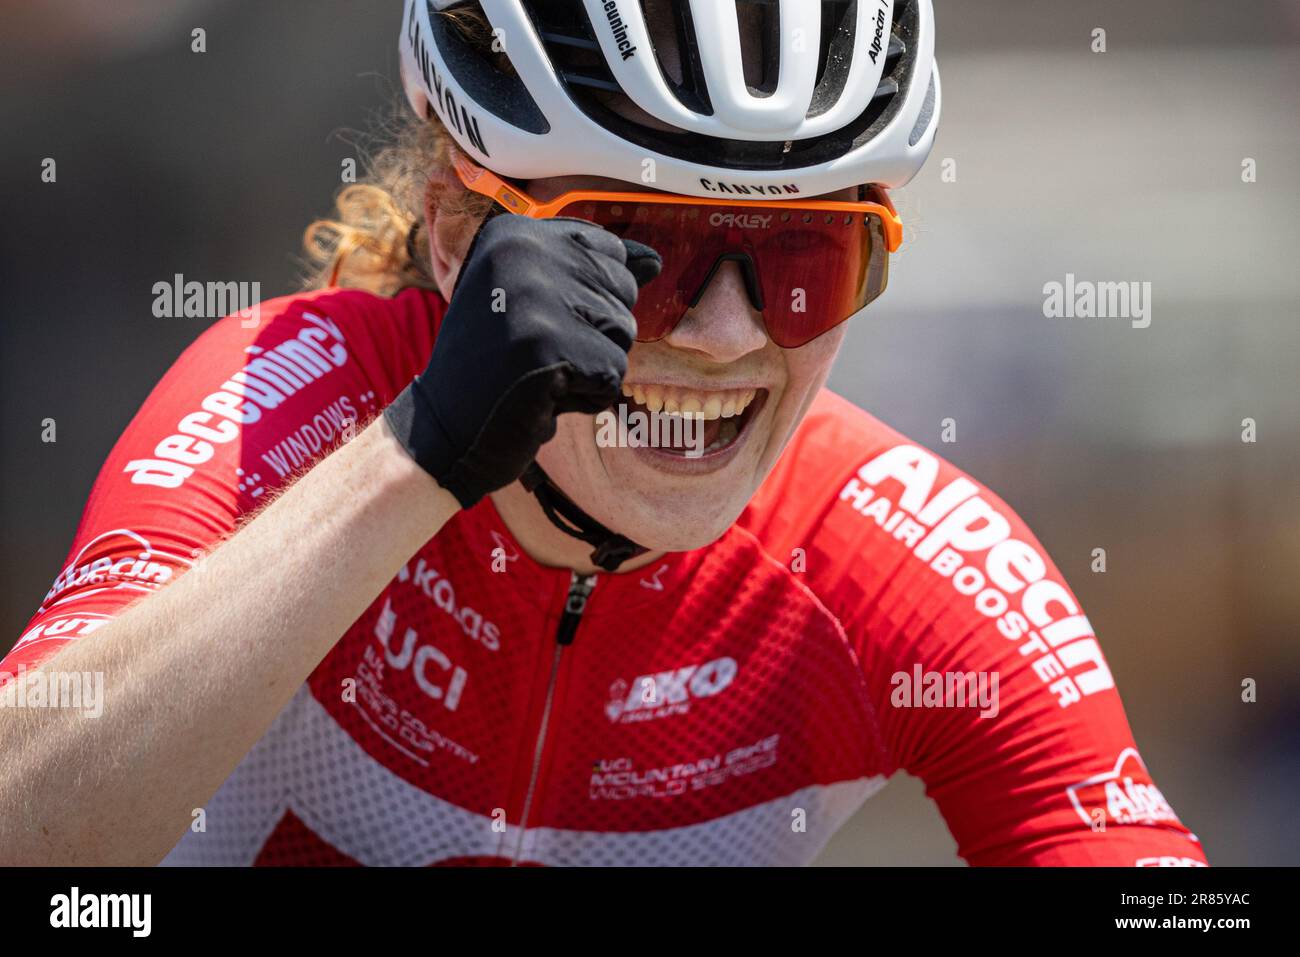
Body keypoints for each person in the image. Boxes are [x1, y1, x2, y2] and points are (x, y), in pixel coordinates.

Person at [0, 0, 1207, 867]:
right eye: (647, 250)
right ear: (453, 236)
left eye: (804, 259)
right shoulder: (297, 399)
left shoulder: (889, 550)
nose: (731, 337)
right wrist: (417, 456)